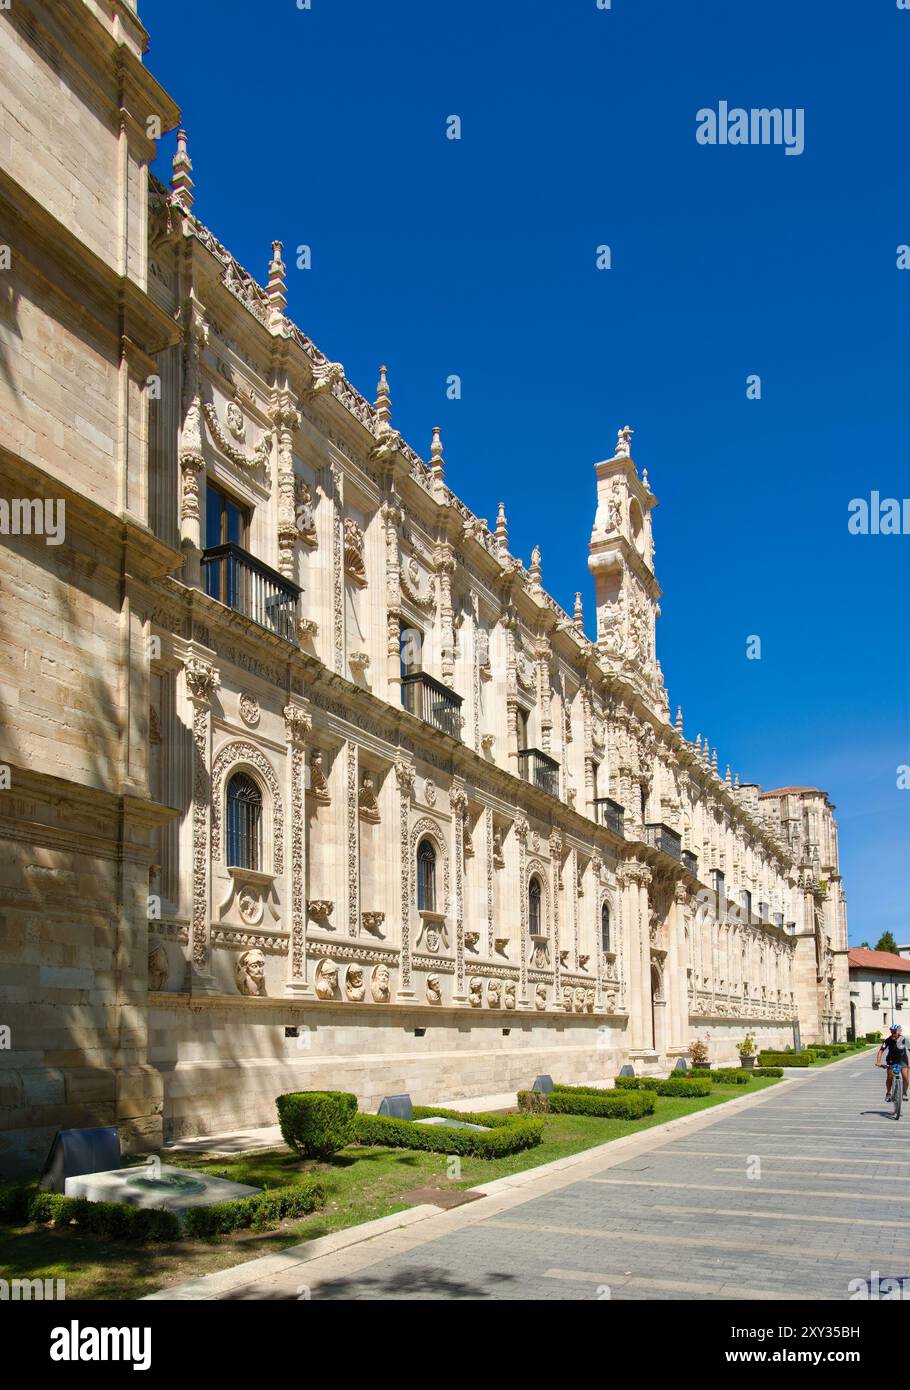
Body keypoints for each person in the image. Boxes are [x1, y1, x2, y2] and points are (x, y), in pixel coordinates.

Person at [875, 1024, 909, 1103]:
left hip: (903, 1060)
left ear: (899, 1032)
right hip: (891, 1060)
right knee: (890, 1077)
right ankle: (888, 1093)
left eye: (894, 1032)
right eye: (891, 1031)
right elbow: (881, 1051)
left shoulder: (904, 1040)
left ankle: (904, 1092)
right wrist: (878, 1062)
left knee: (905, 1078)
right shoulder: (888, 1040)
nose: (892, 1033)